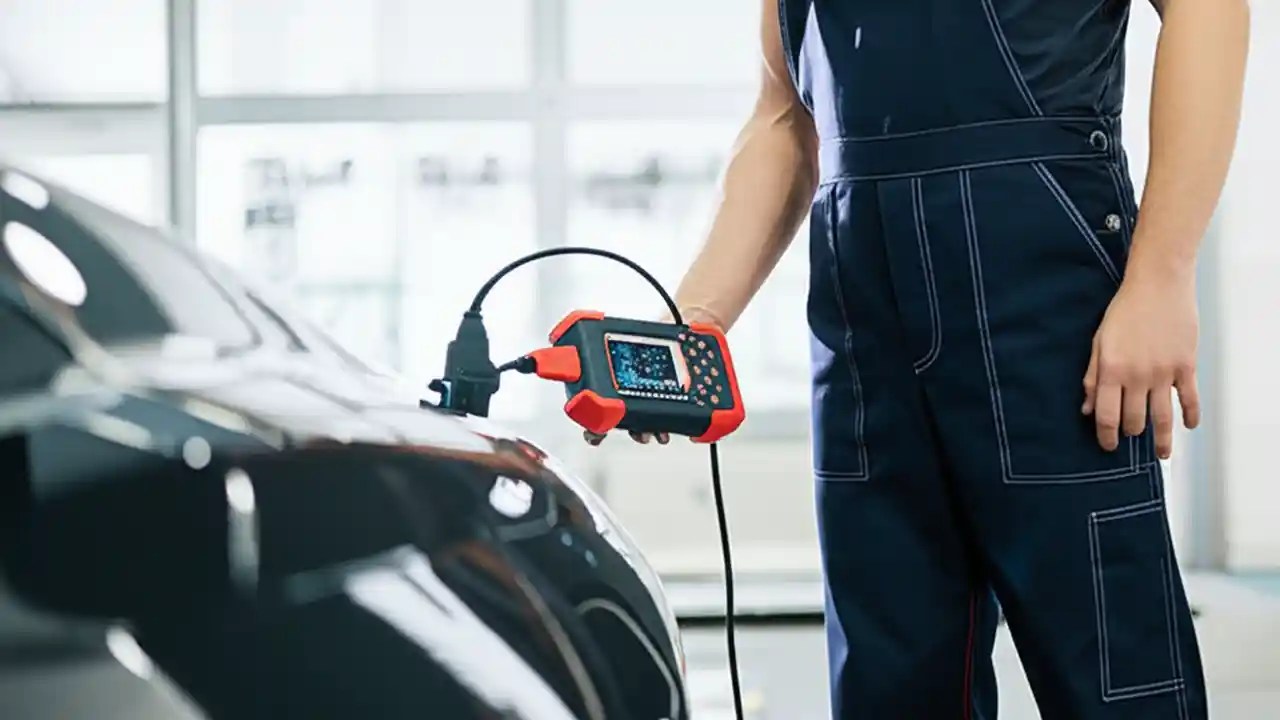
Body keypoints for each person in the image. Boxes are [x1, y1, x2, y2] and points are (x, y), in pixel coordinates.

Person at [594, 0, 1251, 717]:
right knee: (893, 683)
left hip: (1045, 290)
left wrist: (1160, 276)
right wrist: (696, 318)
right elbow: (785, 116)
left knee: (1113, 677)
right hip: (861, 322)